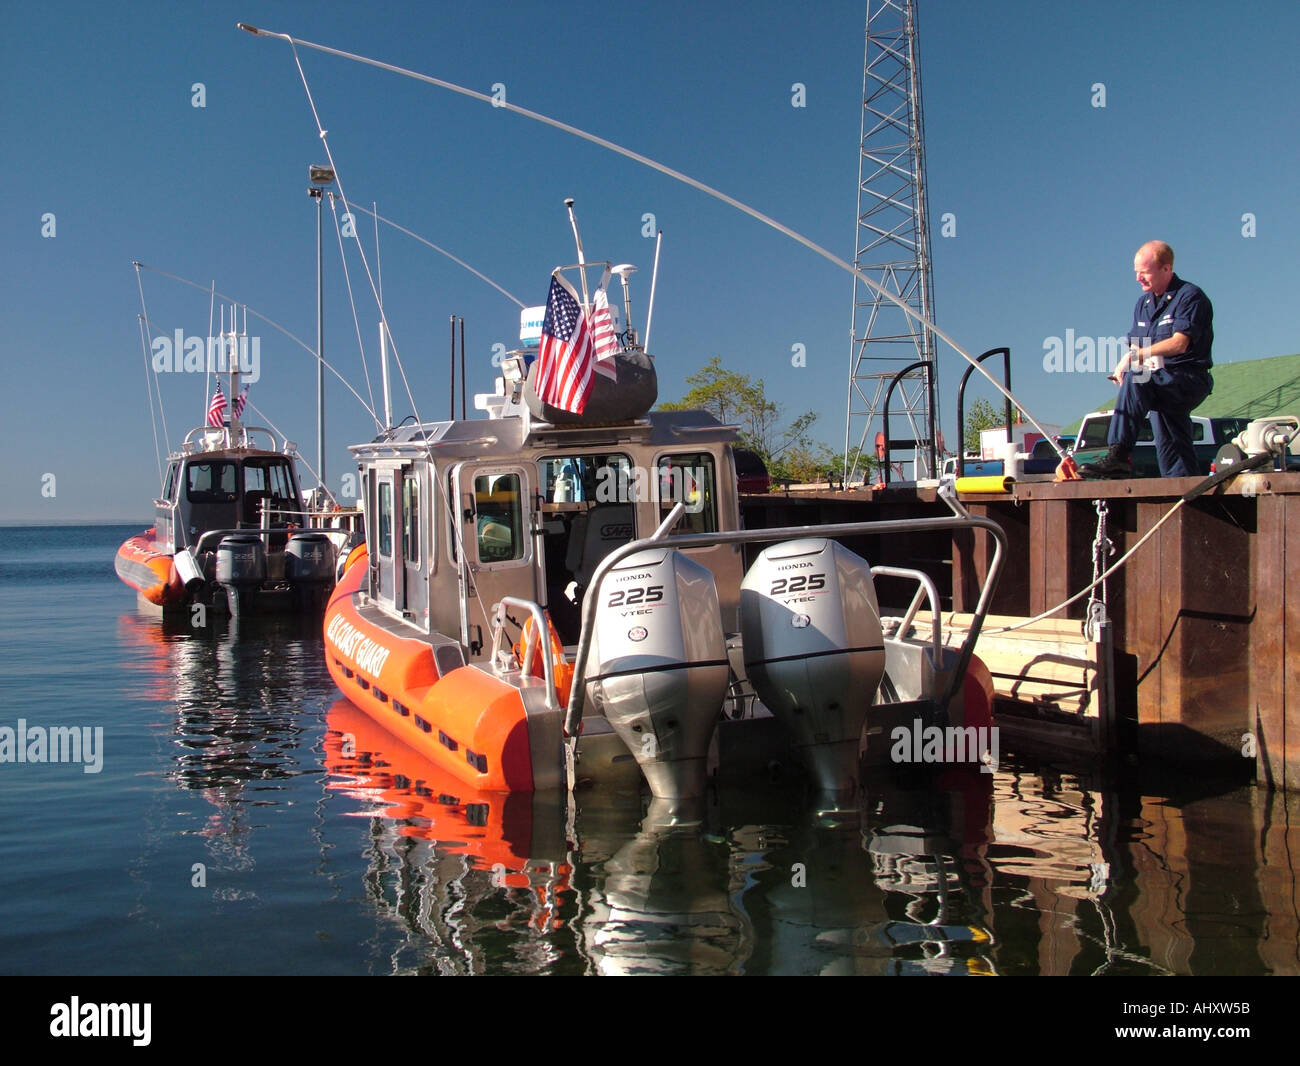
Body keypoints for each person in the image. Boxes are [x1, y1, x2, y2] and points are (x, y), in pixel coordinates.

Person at [1081, 241, 1214, 478]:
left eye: (1144, 272)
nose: (1138, 278)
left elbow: (1179, 343)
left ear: (1166, 268)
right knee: (1170, 441)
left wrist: (1133, 358)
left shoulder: (1190, 296)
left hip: (1187, 379)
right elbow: (1137, 344)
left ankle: (1118, 455)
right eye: (1136, 272)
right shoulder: (1143, 304)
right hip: (1160, 382)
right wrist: (1130, 363)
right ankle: (1184, 490)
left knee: (1138, 379)